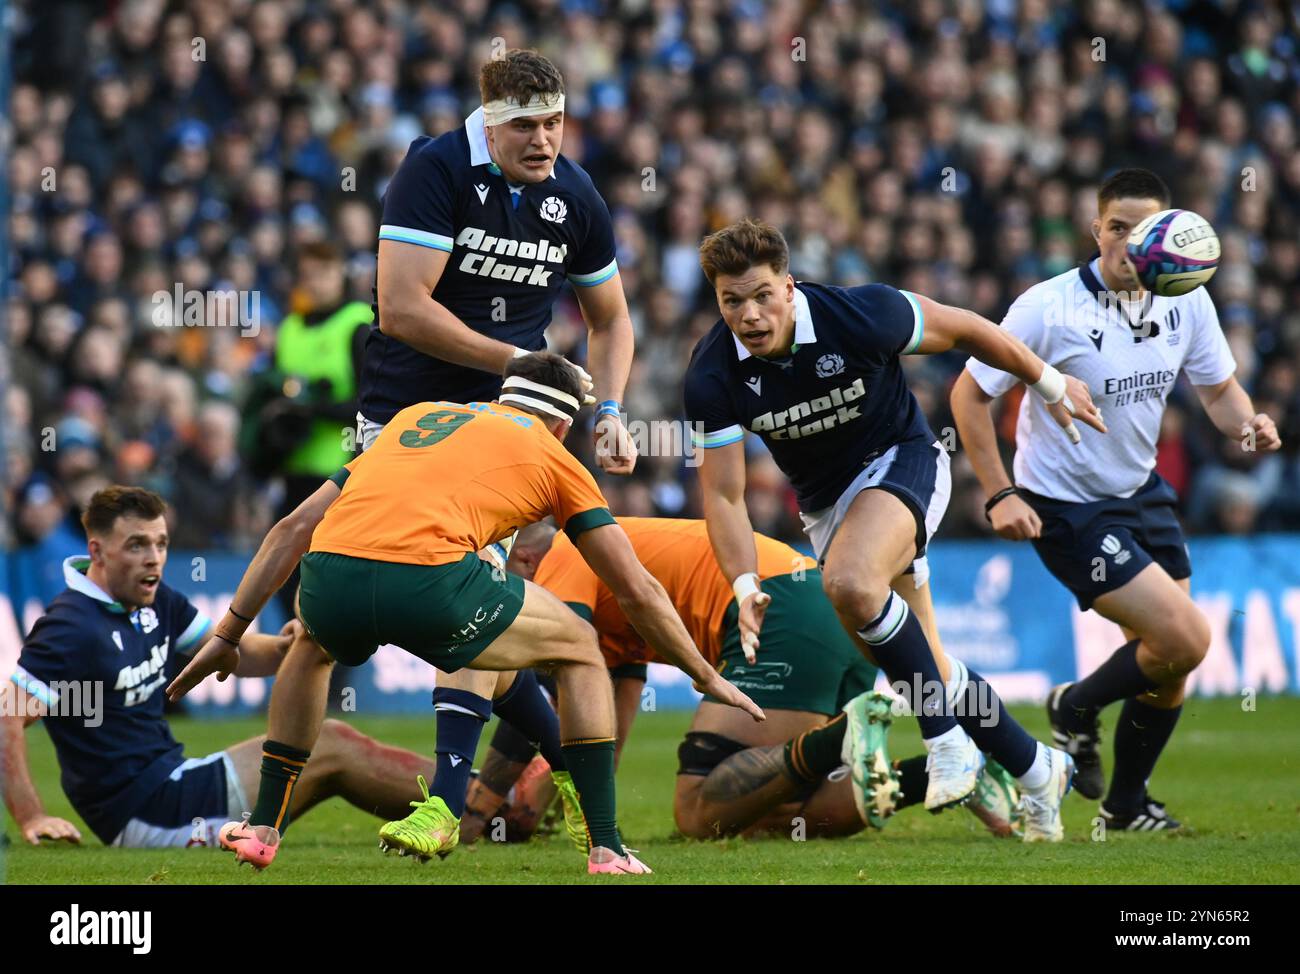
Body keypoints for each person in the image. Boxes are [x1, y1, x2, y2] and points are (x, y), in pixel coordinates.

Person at [168, 353, 764, 876]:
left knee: (313, 647)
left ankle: (264, 830)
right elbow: (635, 589)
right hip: (433, 583)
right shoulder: (556, 458)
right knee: (578, 643)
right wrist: (703, 674)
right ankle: (604, 847)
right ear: (561, 425)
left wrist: (229, 632)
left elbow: (292, 527)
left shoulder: (416, 417)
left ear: (503, 396)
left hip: (328, 577)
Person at [683, 218, 1106, 842]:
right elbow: (723, 493)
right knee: (921, 663)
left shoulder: (861, 314)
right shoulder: (712, 376)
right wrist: (744, 583)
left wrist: (1046, 382)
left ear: (790, 287)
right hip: (829, 509)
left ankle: (947, 746)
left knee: (851, 584)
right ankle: (1040, 767)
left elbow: (965, 328)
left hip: (903, 459)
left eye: (762, 294)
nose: (749, 314)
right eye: (731, 300)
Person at [949, 168, 1281, 831]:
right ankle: (1074, 707)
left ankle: (1125, 809)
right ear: (1094, 228)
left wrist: (1246, 421)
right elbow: (968, 395)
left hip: (1142, 492)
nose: (1131, 242)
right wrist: (999, 494)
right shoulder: (1046, 308)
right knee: (1185, 636)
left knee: (1169, 668)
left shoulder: (1186, 298)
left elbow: (1217, 390)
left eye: (1146, 228)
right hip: (1065, 508)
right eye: (1118, 227)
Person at [359, 47, 642, 815]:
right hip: (403, 418)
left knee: (475, 599)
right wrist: (524, 357)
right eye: (525, 125)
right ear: (490, 122)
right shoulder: (436, 170)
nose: (544, 139)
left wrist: (609, 409)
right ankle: (570, 785)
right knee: (330, 614)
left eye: (555, 122)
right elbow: (402, 308)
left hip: (503, 427)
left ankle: (449, 804)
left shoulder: (575, 194)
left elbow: (612, 320)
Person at [459, 518, 1024, 844]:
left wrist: (480, 807)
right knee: (767, 815)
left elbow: (543, 678)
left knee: (697, 810)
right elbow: (602, 719)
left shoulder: (563, 550)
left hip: (774, 611)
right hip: (816, 606)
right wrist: (576, 800)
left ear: (524, 558)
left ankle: (844, 734)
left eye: (505, 575)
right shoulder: (602, 590)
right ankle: (943, 773)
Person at [2, 486, 440, 849]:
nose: (154, 558)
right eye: (136, 545)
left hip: (175, 784)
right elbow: (7, 717)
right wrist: (34, 816)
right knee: (331, 744)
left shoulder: (155, 601)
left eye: (161, 543)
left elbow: (232, 652)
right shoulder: (70, 626)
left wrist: (287, 647)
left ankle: (480, 804)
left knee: (326, 748)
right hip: (146, 812)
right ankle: (475, 801)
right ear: (96, 552)